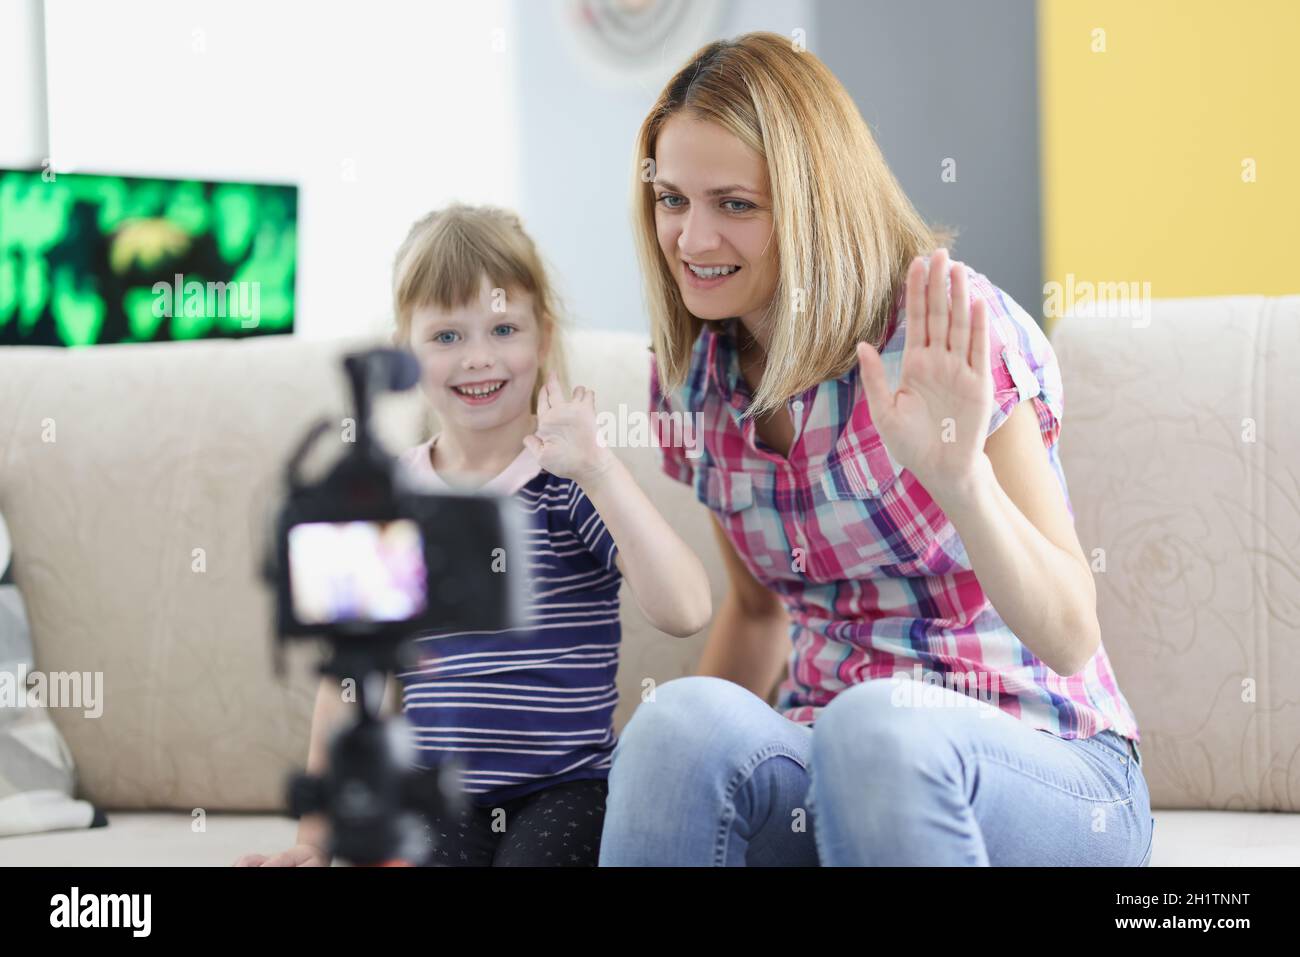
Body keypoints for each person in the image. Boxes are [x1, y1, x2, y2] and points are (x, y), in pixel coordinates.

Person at [599, 32, 1154, 867]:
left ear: (815, 201)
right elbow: (757, 615)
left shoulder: (945, 332)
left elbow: (1071, 635)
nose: (693, 237)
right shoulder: (696, 381)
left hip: (1042, 759)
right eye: (672, 199)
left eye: (735, 204)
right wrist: (675, 770)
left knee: (879, 723)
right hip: (827, 758)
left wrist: (959, 479)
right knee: (675, 720)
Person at [235, 204, 709, 866]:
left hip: (568, 789)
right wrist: (313, 839)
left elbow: (686, 608)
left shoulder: (571, 482)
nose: (478, 358)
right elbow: (350, 681)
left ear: (542, 338)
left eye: (503, 328)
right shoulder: (392, 500)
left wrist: (601, 470)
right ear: (405, 351)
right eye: (447, 336)